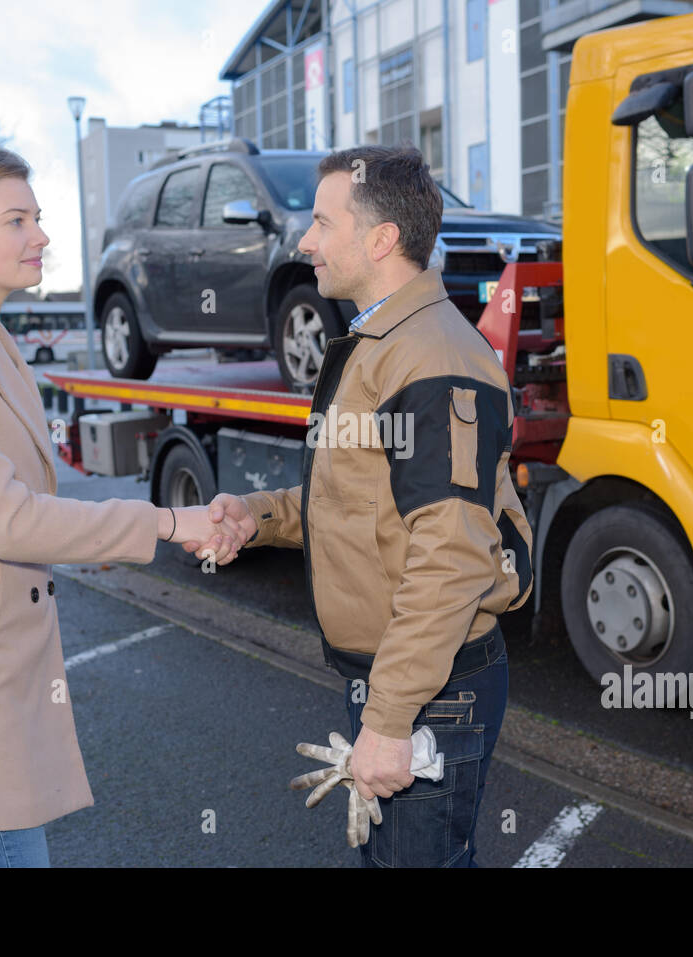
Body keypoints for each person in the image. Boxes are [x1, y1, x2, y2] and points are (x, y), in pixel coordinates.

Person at [0, 145, 248, 868]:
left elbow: (29, 509)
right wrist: (168, 520)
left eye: (37, 218)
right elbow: (8, 518)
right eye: (17, 220)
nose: (41, 236)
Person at [207, 145, 534, 867]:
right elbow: (360, 503)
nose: (305, 241)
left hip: (428, 694)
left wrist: (388, 720)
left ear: (381, 239)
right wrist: (256, 516)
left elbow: (451, 555)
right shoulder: (386, 342)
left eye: (322, 223)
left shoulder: (430, 355)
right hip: (407, 682)